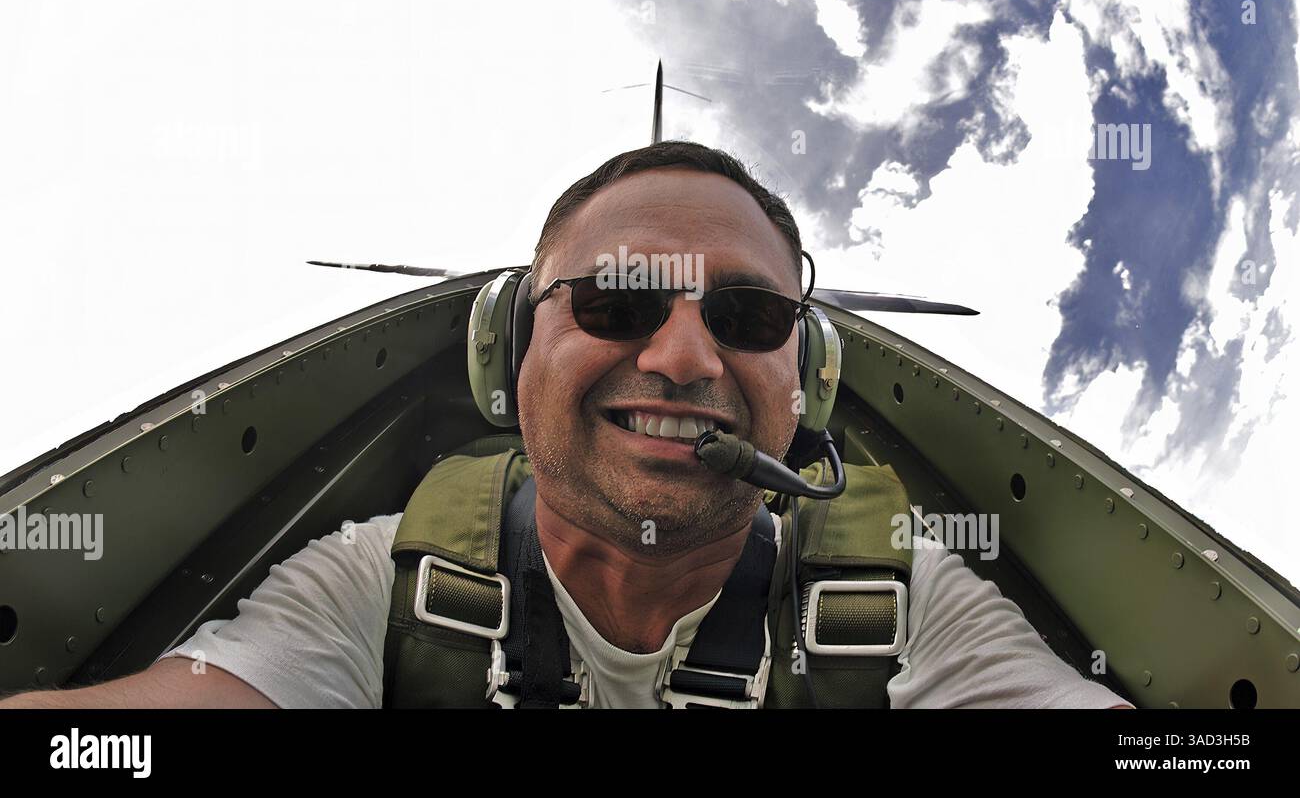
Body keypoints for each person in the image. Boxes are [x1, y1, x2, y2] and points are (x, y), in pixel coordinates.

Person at [0, 141, 1130, 709]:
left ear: (810, 378)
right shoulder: (377, 579)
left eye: (743, 314)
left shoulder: (905, 599)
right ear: (507, 347)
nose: (683, 357)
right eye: (615, 300)